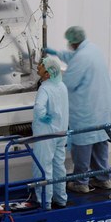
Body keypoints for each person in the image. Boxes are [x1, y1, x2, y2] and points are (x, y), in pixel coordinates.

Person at [45, 26, 111, 193]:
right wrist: (56, 53)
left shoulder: (81, 57)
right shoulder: (92, 50)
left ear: (72, 42)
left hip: (86, 112)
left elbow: (68, 82)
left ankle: (81, 183)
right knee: (100, 144)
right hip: (102, 110)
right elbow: (74, 58)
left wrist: (49, 82)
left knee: (82, 148)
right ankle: (104, 179)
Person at [32, 57, 68, 210]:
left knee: (43, 166)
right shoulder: (62, 86)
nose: (38, 67)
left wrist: (43, 116)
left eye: (41, 66)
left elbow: (39, 107)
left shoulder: (45, 88)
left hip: (46, 134)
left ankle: (45, 201)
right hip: (61, 131)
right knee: (59, 165)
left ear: (47, 73)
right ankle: (61, 199)